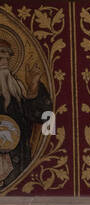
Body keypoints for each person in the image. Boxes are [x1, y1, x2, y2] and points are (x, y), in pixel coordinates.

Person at [0, 36, 52, 189]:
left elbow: (45, 118)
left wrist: (34, 86)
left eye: (6, 56)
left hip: (17, 158)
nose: (3, 61)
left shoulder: (18, 89)